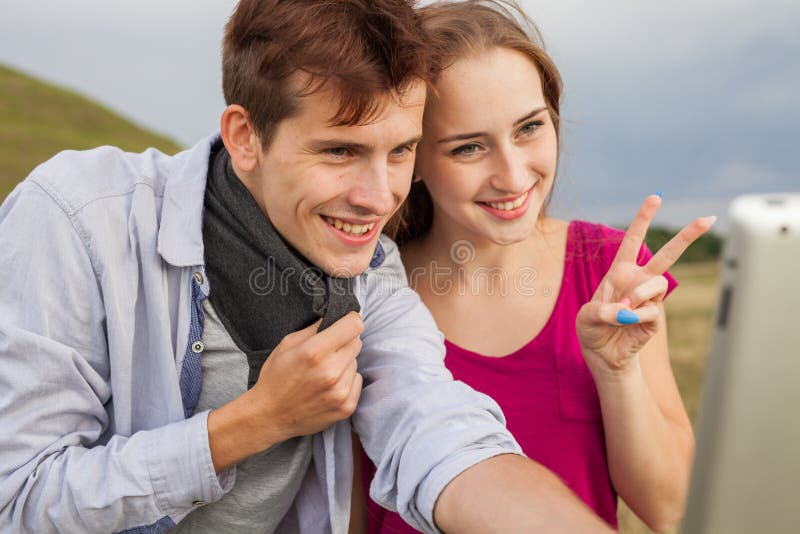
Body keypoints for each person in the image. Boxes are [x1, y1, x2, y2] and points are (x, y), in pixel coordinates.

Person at [0, 1, 615, 533]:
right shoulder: (78, 217)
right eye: (340, 151)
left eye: (400, 150)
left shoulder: (371, 273)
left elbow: (439, 431)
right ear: (245, 136)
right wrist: (250, 424)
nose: (379, 198)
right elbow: (18, 498)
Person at [357, 1, 715, 532]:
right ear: (412, 158)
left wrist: (618, 374)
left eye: (529, 128)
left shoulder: (611, 272)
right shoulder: (365, 293)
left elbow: (671, 510)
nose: (512, 174)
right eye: (469, 147)